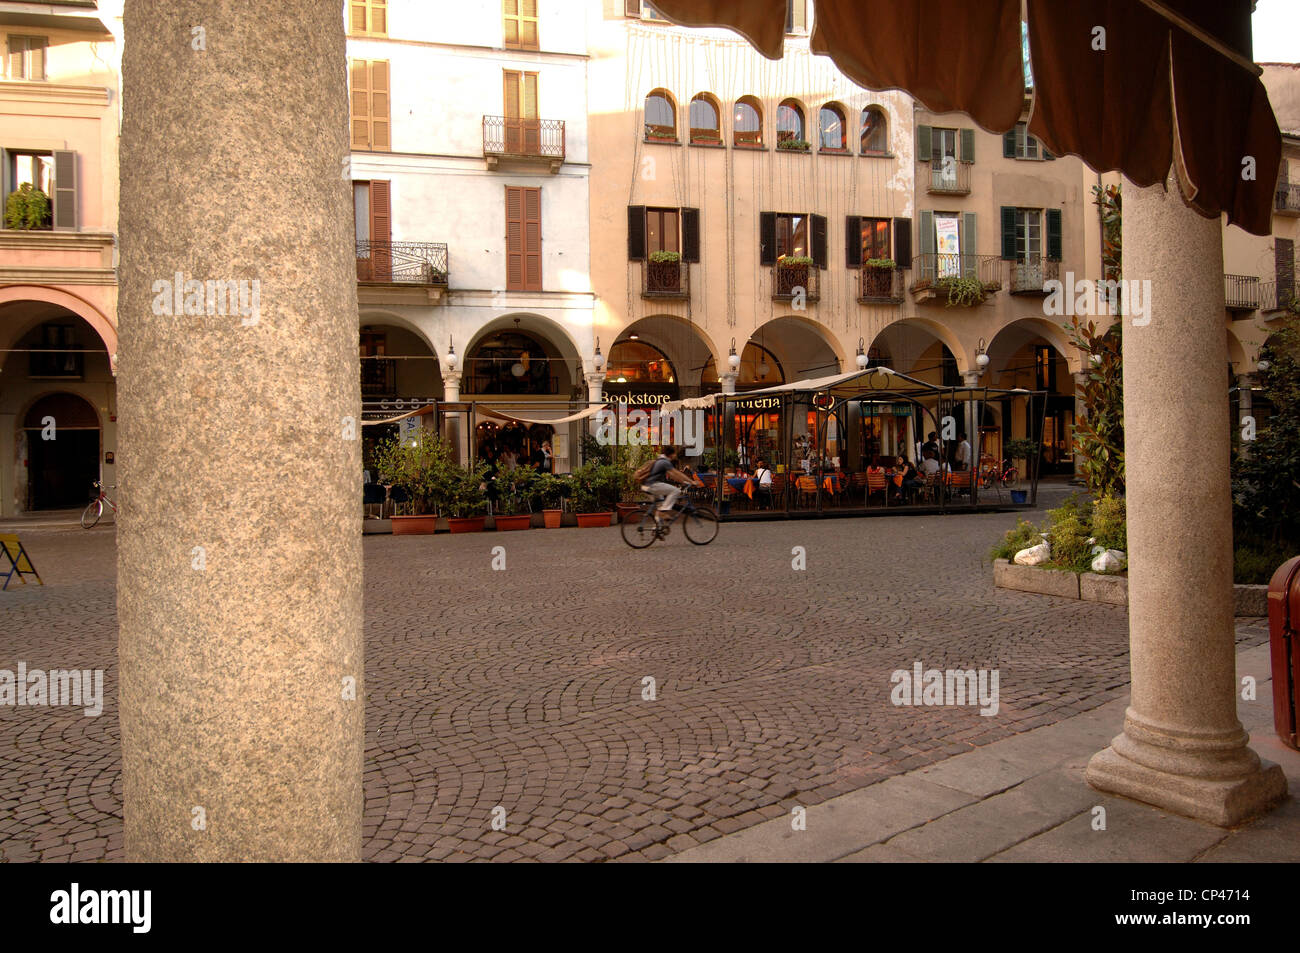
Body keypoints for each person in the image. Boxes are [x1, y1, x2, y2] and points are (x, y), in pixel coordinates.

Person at [641, 445, 695, 527]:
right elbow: (677, 473)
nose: (675, 455)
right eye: (674, 453)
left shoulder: (660, 460)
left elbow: (672, 475)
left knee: (660, 505)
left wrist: (683, 481)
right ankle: (663, 512)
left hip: (647, 486)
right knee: (676, 491)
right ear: (671, 454)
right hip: (653, 485)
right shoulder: (664, 462)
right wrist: (691, 481)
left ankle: (657, 529)